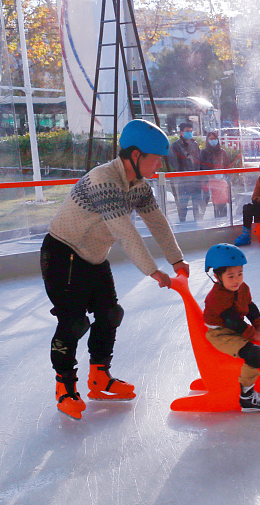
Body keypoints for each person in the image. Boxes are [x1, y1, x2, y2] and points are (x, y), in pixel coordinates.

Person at [41, 119, 190, 419]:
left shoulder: (138, 185)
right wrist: (153, 271)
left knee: (110, 314)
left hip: (93, 257)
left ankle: (99, 377)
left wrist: (176, 259)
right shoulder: (104, 180)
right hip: (63, 255)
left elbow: (157, 221)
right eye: (156, 158)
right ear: (136, 156)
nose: (159, 164)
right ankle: (65, 387)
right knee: (73, 323)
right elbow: (124, 231)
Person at [202, 244, 260, 412]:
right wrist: (253, 334)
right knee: (253, 352)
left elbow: (250, 306)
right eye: (230, 276)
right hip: (221, 333)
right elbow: (231, 320)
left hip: (236, 326)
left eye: (240, 274)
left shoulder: (242, 288)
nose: (236, 280)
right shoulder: (216, 297)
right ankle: (247, 396)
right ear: (217, 276)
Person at [168, 121, 205, 222]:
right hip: (184, 180)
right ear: (181, 132)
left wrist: (200, 175)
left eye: (191, 131)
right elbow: (173, 162)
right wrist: (183, 174)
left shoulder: (194, 144)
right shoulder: (176, 146)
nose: (190, 133)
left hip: (196, 179)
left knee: (196, 204)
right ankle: (182, 222)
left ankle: (197, 223)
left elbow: (199, 161)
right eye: (187, 131)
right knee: (183, 204)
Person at [200, 130, 231, 218]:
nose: (213, 140)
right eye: (211, 139)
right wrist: (209, 177)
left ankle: (224, 220)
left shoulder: (222, 152)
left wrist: (224, 175)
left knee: (223, 202)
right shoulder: (204, 153)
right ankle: (217, 219)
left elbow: (227, 165)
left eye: (215, 138)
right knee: (216, 203)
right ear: (207, 140)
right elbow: (202, 167)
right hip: (210, 181)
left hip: (221, 181)